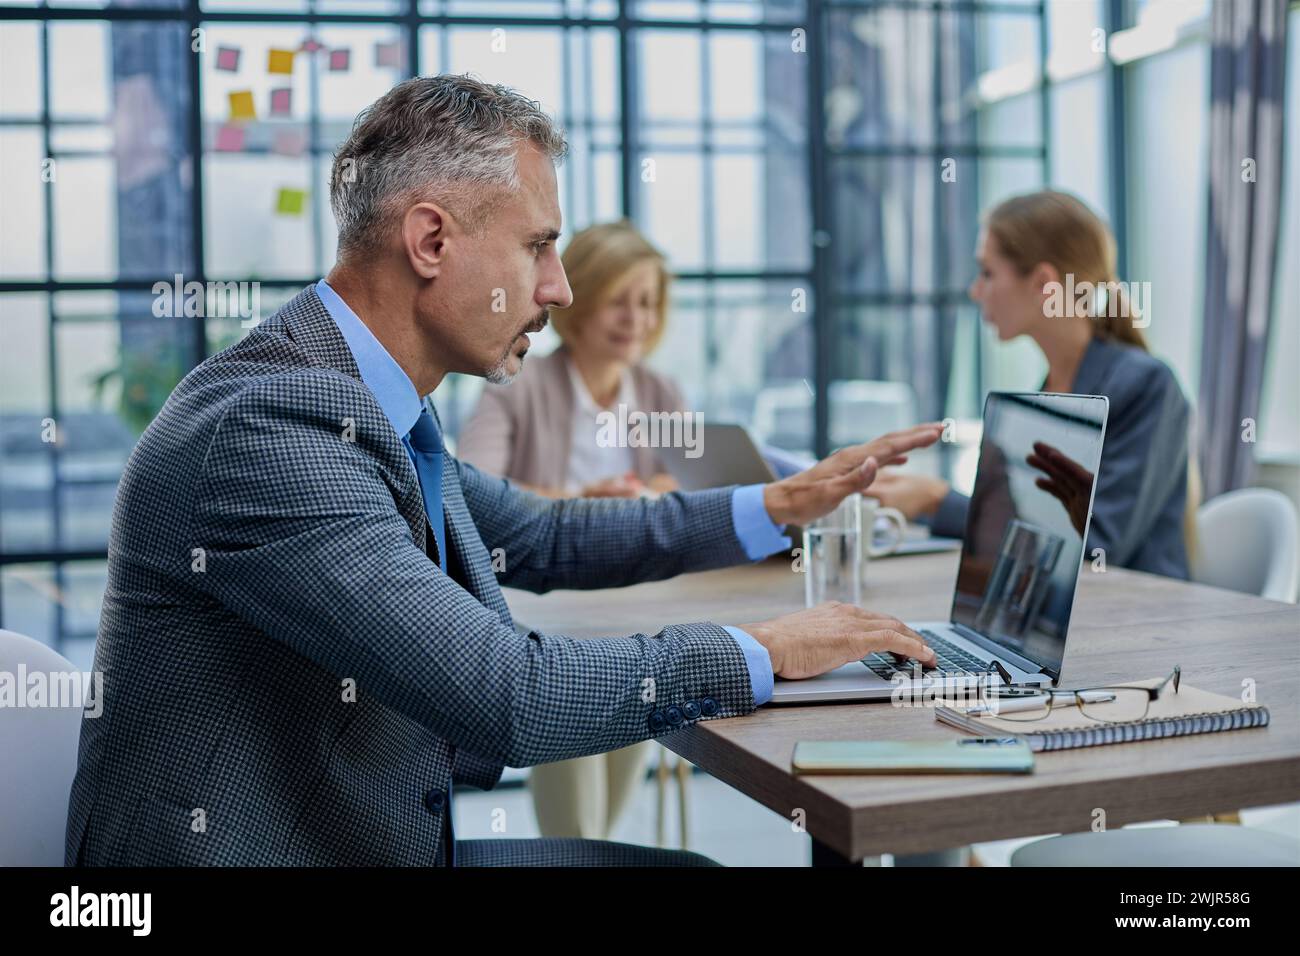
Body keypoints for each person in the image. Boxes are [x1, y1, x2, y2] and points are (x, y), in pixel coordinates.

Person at [65, 75, 942, 867]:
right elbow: (508, 697)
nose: (559, 289)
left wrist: (780, 502)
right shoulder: (277, 430)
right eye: (538, 246)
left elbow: (542, 535)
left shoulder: (359, 396)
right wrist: (763, 649)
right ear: (432, 241)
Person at [458, 220, 683, 841]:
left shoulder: (660, 391)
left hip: (639, 610)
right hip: (547, 616)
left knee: (605, 814)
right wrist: (586, 501)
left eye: (648, 302)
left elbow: (685, 487)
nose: (635, 318)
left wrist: (654, 494)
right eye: (619, 299)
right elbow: (472, 486)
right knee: (577, 812)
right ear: (580, 298)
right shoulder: (521, 384)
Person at [870, 190, 1192, 579]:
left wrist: (938, 501)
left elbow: (1095, 550)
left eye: (987, 273)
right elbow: (1032, 534)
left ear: (1043, 283)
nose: (976, 291)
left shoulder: (1145, 385)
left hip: (1140, 619)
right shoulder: (1050, 390)